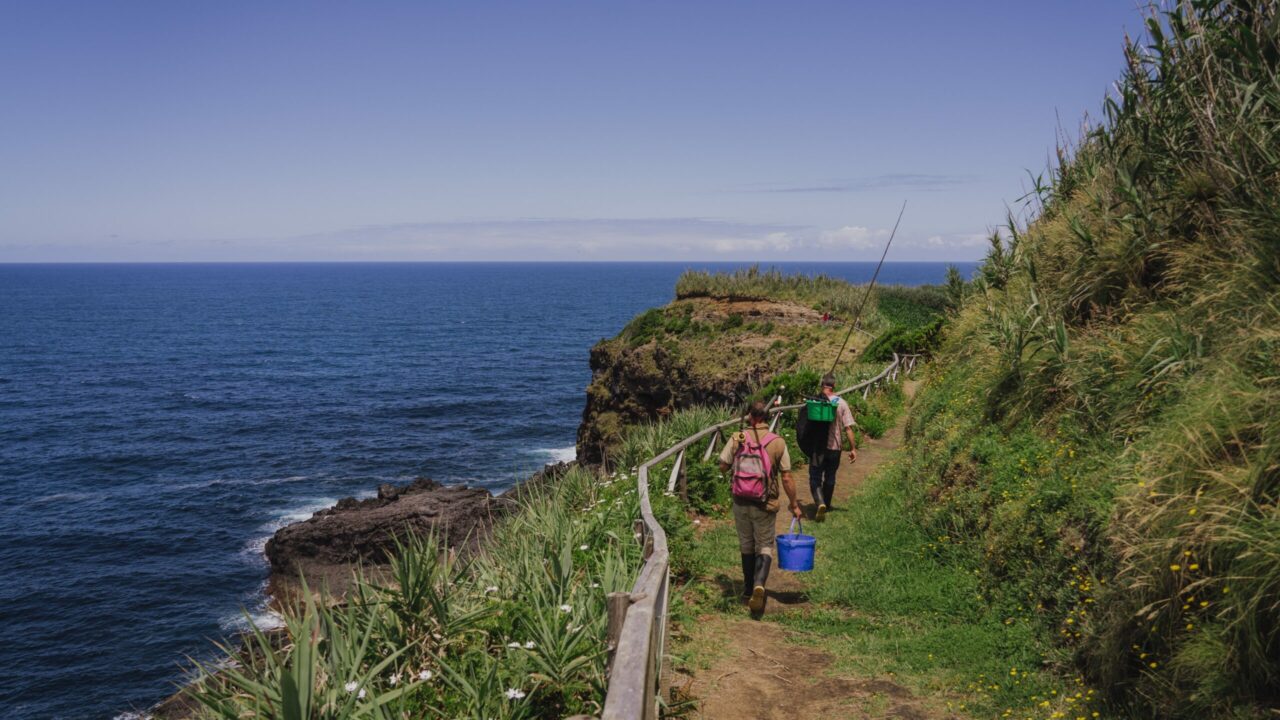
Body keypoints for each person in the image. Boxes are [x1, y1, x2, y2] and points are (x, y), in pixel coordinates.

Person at [719, 400, 802, 615]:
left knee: (746, 544)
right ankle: (759, 584)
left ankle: (747, 591)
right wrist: (794, 503)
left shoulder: (738, 438)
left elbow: (723, 465)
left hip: (740, 501)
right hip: (765, 502)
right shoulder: (777, 442)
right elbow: (786, 476)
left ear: (749, 416)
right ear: (767, 417)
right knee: (764, 545)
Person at [809, 373, 857, 522]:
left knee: (815, 477)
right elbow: (848, 428)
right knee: (830, 476)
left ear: (822, 385)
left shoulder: (815, 401)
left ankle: (820, 503)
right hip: (835, 447)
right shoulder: (841, 403)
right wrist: (853, 448)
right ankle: (827, 505)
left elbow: (806, 425)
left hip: (818, 448)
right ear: (834, 386)